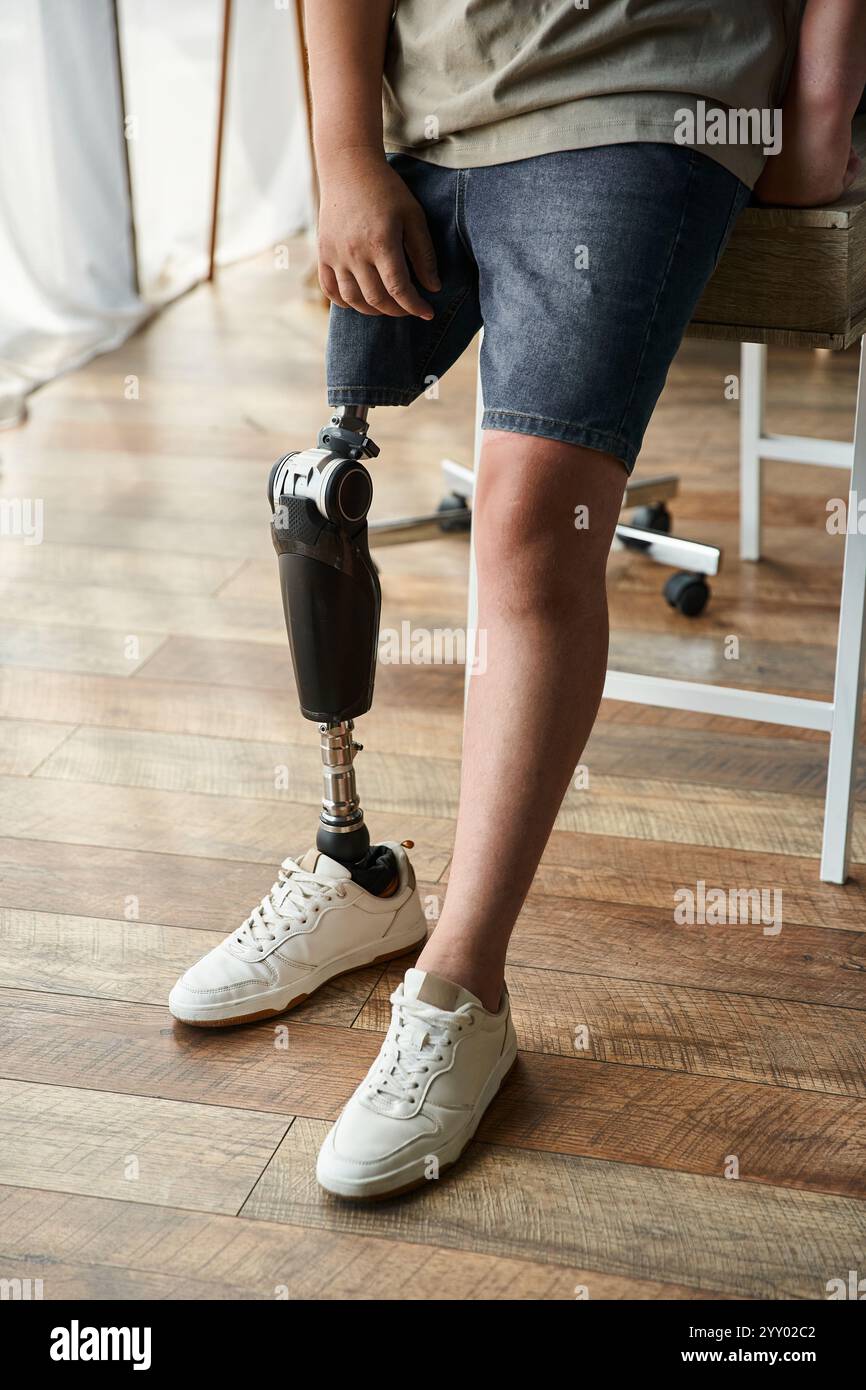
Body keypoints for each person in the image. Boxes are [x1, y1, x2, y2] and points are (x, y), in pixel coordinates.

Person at [170, 0, 866, 1199]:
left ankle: (463, 984)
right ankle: (357, 873)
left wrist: (813, 102)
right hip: (426, 91)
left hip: (644, 89)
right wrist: (340, 153)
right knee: (319, 489)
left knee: (532, 522)